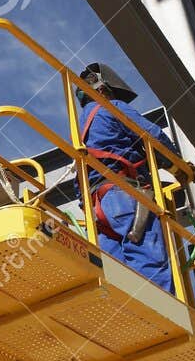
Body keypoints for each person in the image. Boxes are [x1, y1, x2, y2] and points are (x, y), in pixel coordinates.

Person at [74, 63, 176, 293]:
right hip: (123, 195)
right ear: (103, 90)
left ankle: (126, 310)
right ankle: (157, 308)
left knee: (114, 274)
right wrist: (177, 164)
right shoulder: (112, 107)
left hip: (96, 207)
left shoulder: (78, 130)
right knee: (148, 259)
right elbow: (153, 135)